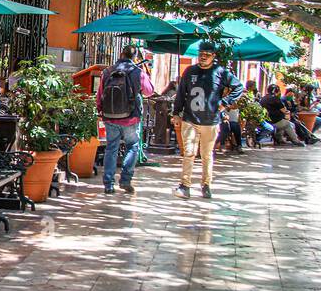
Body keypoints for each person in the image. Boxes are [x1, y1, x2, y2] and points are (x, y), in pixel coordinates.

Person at [171, 41, 243, 198]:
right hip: (190, 118)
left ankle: (206, 185)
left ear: (213, 56)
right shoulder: (190, 71)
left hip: (210, 121)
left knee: (206, 155)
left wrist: (225, 102)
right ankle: (185, 185)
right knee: (188, 152)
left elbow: (238, 87)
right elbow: (181, 93)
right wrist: (176, 113)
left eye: (207, 55)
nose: (203, 57)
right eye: (201, 54)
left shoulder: (220, 72)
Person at [97, 45, 157, 194]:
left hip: (110, 117)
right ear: (135, 57)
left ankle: (108, 184)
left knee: (111, 148)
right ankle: (125, 180)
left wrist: (101, 110)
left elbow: (99, 96)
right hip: (131, 117)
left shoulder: (107, 71)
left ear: (121, 54)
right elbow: (149, 91)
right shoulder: (138, 72)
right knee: (132, 146)